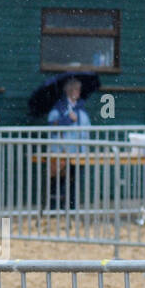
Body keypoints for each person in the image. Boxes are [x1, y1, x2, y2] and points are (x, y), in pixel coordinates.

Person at [48, 77, 91, 209]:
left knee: (74, 181)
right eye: (75, 89)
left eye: (78, 90)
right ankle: (55, 207)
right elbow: (51, 127)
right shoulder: (59, 108)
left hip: (78, 152)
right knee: (58, 180)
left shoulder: (81, 109)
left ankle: (71, 207)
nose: (78, 92)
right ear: (69, 91)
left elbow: (86, 129)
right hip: (62, 151)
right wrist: (67, 120)